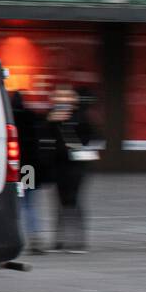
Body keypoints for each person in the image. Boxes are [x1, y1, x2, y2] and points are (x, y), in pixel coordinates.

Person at [42, 84, 95, 253]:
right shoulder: (51, 118)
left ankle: (78, 241)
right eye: (59, 96)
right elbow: (44, 139)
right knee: (59, 202)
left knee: (73, 201)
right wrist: (51, 123)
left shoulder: (81, 117)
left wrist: (70, 127)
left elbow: (89, 138)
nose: (62, 100)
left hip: (75, 166)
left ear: (73, 100)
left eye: (66, 97)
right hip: (57, 166)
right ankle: (59, 241)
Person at [10, 91, 44, 254]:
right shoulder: (31, 118)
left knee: (16, 203)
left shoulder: (9, 118)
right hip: (28, 168)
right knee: (29, 202)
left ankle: (17, 236)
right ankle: (34, 236)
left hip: (13, 167)